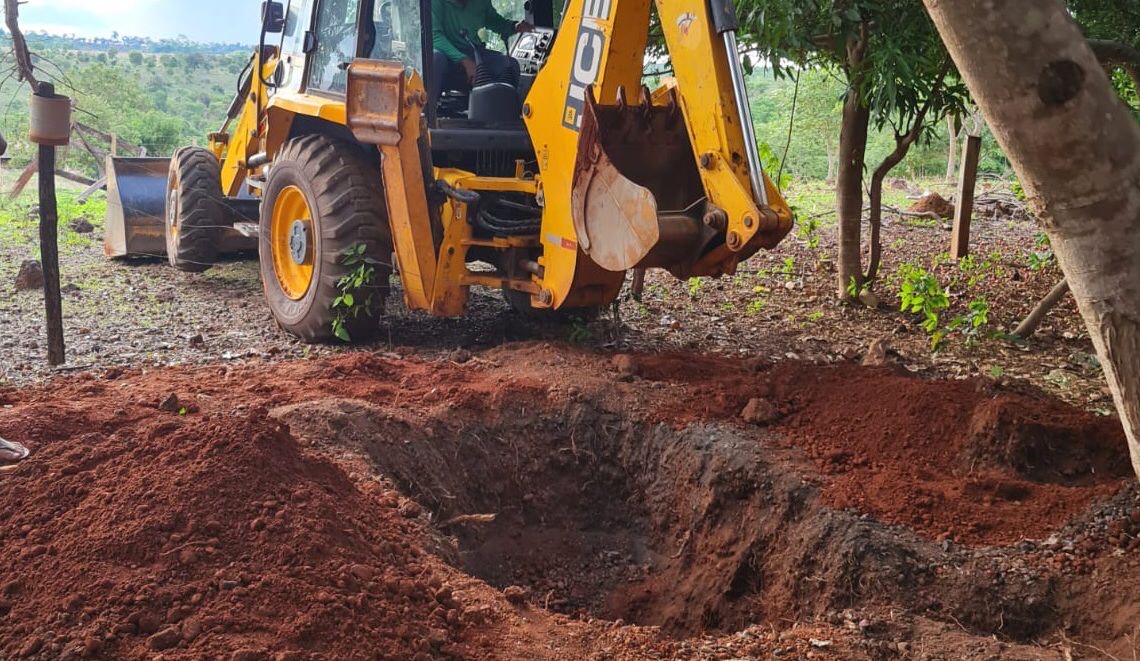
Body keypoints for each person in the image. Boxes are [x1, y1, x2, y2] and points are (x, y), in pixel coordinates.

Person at [430, 0, 533, 109]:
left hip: (473, 52)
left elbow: (493, 20)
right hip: (446, 55)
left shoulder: (481, 2)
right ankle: (428, 113)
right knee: (435, 60)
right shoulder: (435, 3)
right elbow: (435, 36)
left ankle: (500, 115)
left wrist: (514, 27)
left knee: (510, 65)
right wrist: (464, 60)